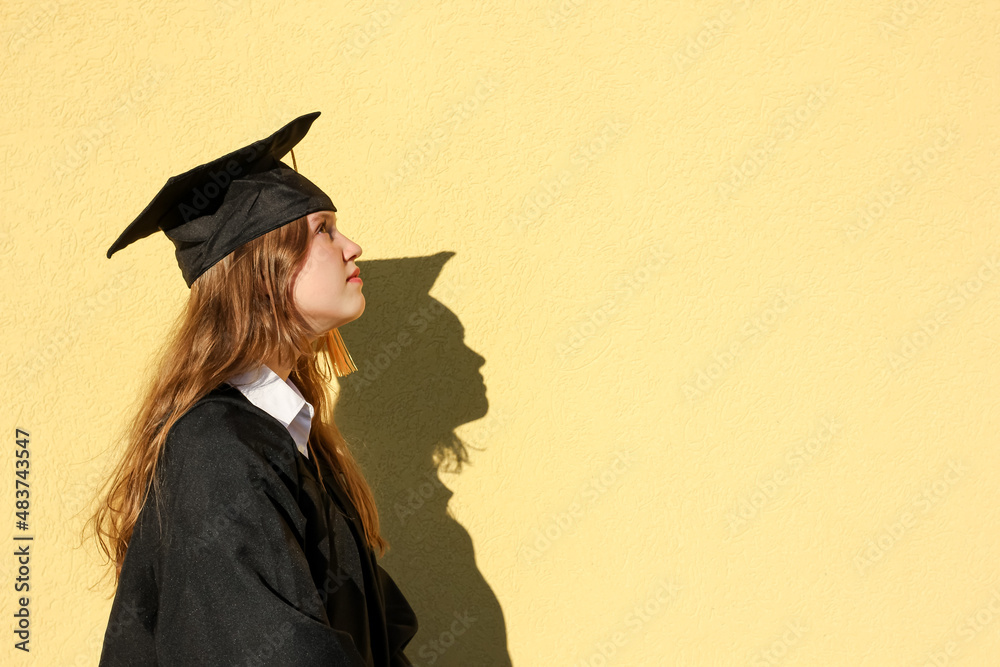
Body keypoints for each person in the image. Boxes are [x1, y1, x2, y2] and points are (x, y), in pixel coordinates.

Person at [86, 111, 418, 666]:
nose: (353, 246)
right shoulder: (217, 448)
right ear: (265, 265)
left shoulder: (286, 437)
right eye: (323, 230)